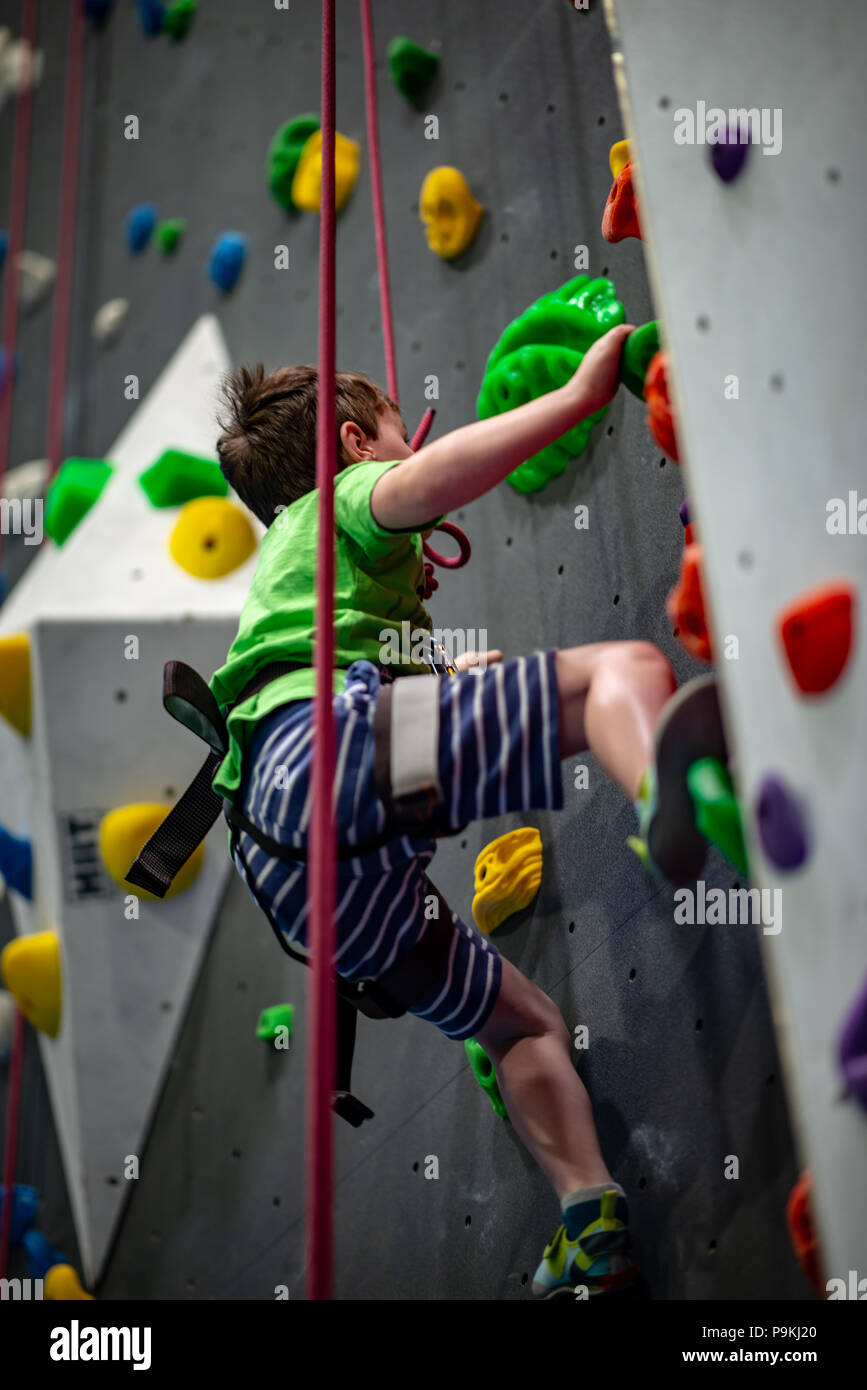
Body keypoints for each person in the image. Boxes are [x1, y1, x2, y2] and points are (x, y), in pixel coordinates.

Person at [210, 325, 727, 1298]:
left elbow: (362, 683)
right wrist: (577, 398)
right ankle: (676, 798)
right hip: (327, 758)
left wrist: (448, 680)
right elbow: (438, 478)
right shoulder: (339, 500)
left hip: (312, 887)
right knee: (629, 669)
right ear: (357, 443)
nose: (411, 447)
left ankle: (591, 1224)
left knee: (518, 1024)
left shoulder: (294, 587)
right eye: (402, 430)